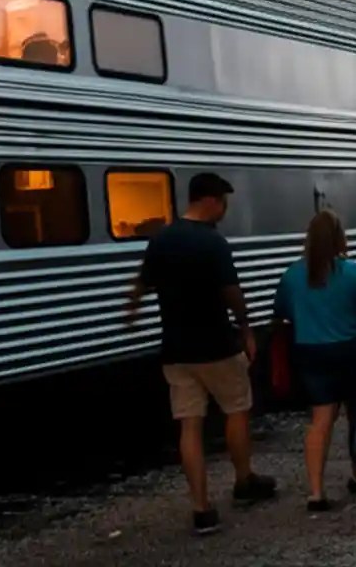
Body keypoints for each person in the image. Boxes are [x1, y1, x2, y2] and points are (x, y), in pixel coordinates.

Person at [127, 172, 277, 536]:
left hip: (177, 351)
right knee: (237, 410)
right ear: (209, 200)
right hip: (216, 347)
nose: (225, 210)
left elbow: (141, 284)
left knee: (189, 425)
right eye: (223, 202)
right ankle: (243, 482)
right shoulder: (213, 243)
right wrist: (246, 330)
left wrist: (130, 311)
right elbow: (232, 293)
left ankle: (201, 509)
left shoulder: (161, 239)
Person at [271, 209, 356, 511]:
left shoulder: (293, 275)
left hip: (311, 352)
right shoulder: (354, 273)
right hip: (351, 351)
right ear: (340, 238)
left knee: (320, 420)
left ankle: (316, 493)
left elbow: (281, 311)